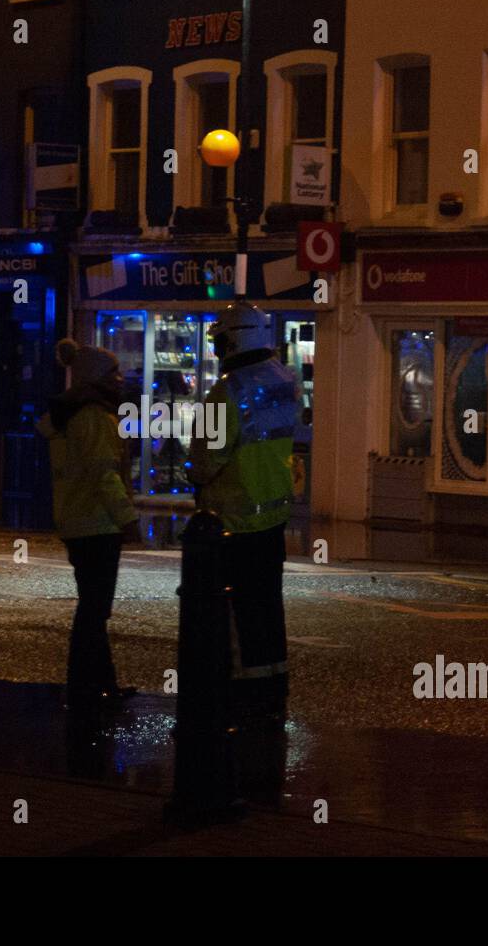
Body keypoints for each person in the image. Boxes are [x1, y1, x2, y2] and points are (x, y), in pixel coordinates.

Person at [189, 303, 300, 716]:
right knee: (270, 605)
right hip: (274, 515)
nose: (217, 349)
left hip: (234, 517)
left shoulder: (227, 390)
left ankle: (245, 691)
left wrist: (196, 479)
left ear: (234, 339)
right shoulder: (287, 380)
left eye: (219, 340)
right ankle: (274, 684)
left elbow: (207, 457)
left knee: (239, 611)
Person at [36, 338, 140, 710]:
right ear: (96, 378)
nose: (120, 379)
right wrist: (128, 519)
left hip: (80, 523)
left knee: (93, 609)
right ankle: (86, 688)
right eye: (113, 373)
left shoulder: (74, 415)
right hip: (98, 525)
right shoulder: (94, 416)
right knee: (94, 611)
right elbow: (104, 475)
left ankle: (99, 684)